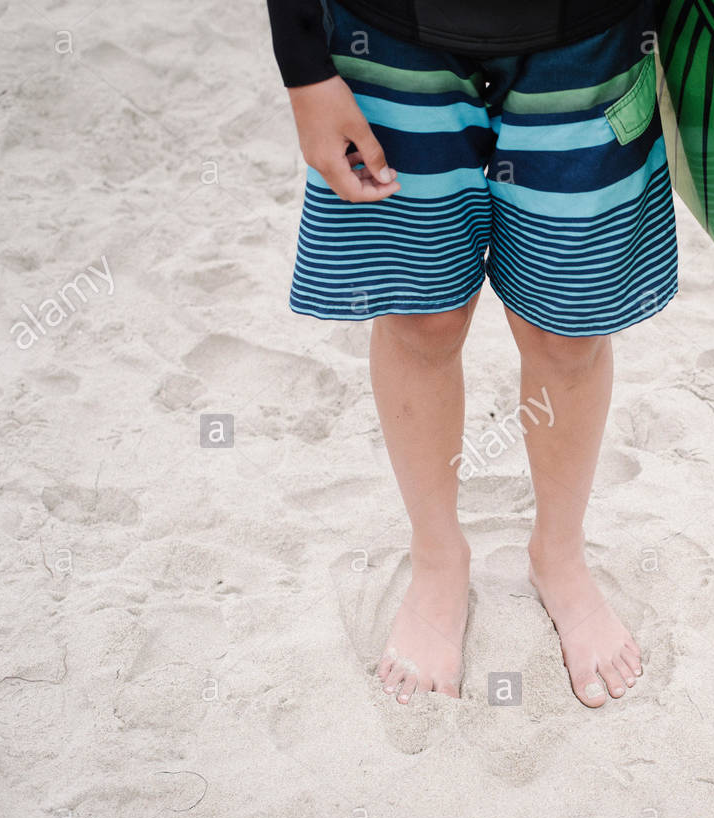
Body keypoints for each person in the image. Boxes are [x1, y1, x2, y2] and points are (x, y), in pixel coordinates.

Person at [266, 0, 677, 707]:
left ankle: (560, 553)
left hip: (595, 34)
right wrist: (302, 63)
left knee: (568, 331)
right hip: (386, 31)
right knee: (421, 317)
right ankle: (436, 556)